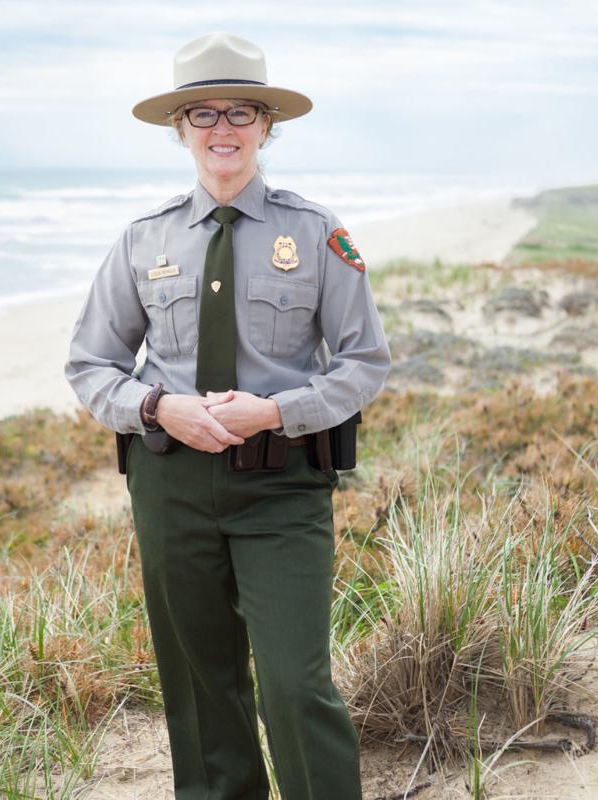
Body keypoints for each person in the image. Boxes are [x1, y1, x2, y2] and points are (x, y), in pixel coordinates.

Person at [64, 31, 390, 800]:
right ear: (180, 128)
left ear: (267, 125)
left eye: (240, 112)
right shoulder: (144, 239)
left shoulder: (314, 232)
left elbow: (364, 362)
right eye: (202, 113)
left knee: (293, 682)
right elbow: (90, 364)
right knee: (200, 688)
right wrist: (156, 405)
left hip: (280, 491)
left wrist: (274, 409)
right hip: (170, 489)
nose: (222, 129)